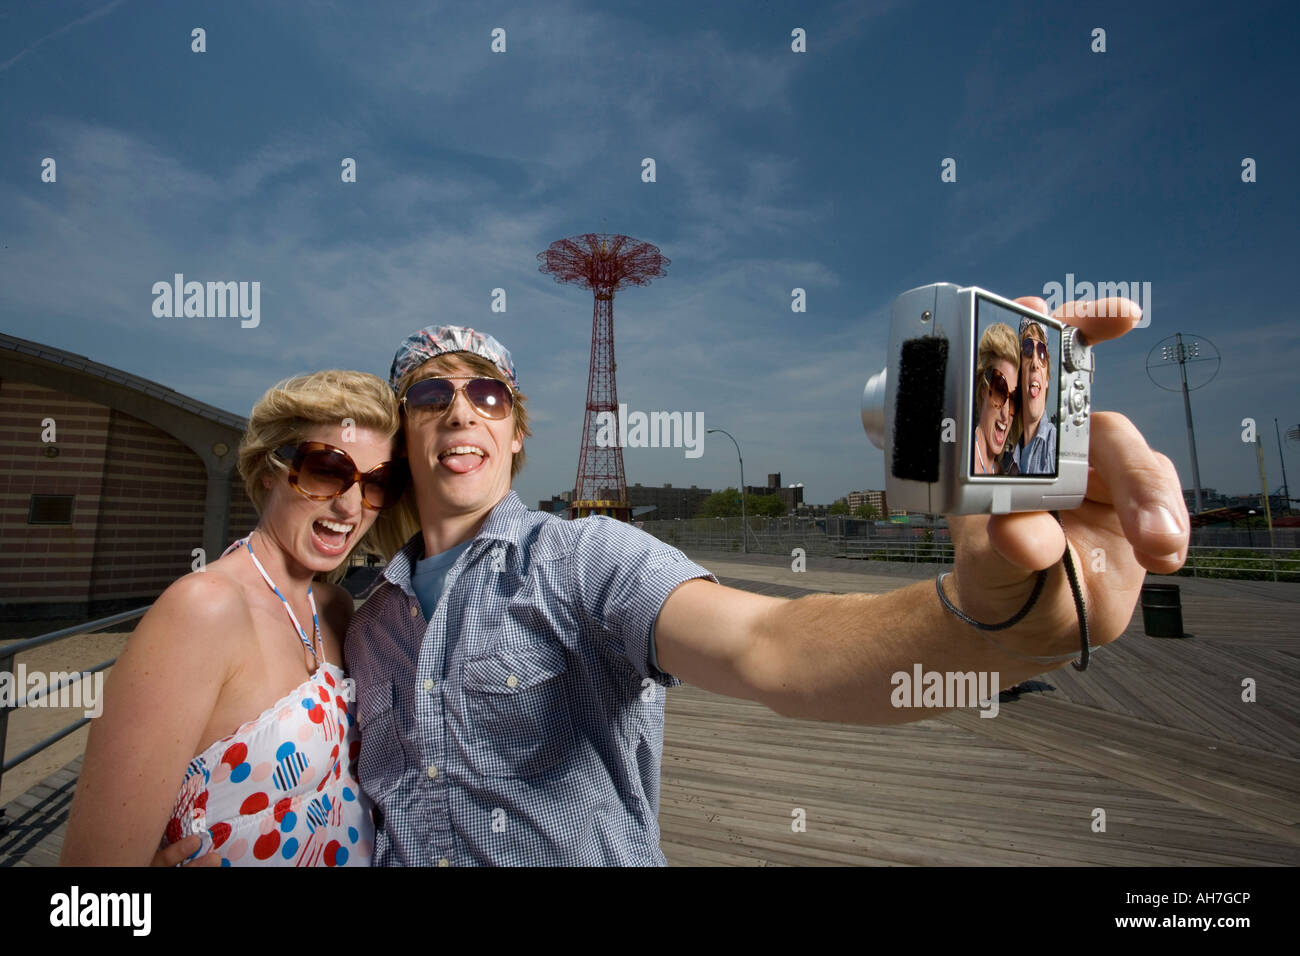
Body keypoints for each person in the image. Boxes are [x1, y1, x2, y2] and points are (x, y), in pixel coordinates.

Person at [349, 294, 1187, 866]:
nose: (463, 409)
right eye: (431, 393)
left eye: (489, 394)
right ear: (399, 435)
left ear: (517, 436)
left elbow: (769, 646)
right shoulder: (363, 626)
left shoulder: (581, 561)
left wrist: (986, 624)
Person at [60, 370, 407, 866]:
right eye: (327, 470)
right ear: (270, 471)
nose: (350, 505)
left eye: (377, 483)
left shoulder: (334, 609)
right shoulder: (204, 610)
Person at [972, 322, 1021, 476]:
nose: (1006, 415)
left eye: (1014, 399)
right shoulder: (959, 462)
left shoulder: (999, 471)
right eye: (1000, 391)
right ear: (982, 389)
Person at [1014, 317, 1058, 475]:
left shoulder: (1057, 447)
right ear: (1019, 375)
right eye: (1027, 349)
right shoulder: (1010, 462)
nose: (1035, 362)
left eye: (1041, 352)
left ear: (1046, 379)